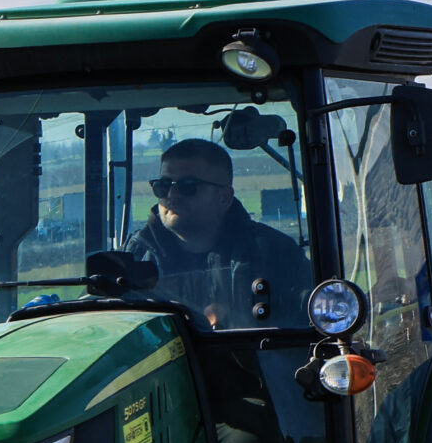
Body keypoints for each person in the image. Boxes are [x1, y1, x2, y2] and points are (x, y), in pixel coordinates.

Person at [126, 137, 315, 331]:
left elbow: (313, 326)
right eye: (163, 186)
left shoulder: (277, 255)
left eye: (188, 186)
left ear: (224, 197)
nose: (171, 195)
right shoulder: (134, 259)